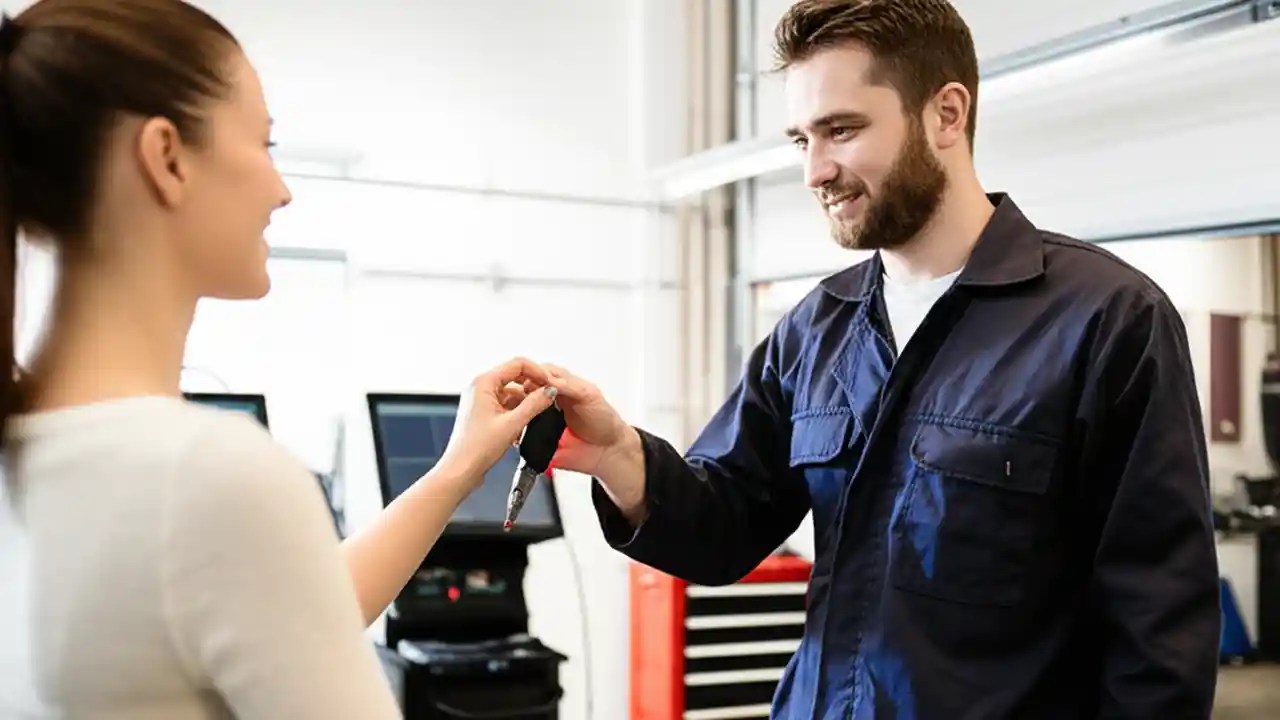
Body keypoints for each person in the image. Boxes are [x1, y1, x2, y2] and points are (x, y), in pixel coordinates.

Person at [533, 0, 1222, 718]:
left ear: (946, 115)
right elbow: (722, 527)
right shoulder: (814, 332)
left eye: (842, 129)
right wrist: (616, 452)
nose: (814, 171)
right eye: (802, 138)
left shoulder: (1105, 322)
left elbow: (1160, 632)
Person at [0, 1, 558, 717]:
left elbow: (284, 608)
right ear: (167, 157)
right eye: (264, 144)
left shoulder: (39, 453)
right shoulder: (207, 474)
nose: (281, 189)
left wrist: (456, 470)